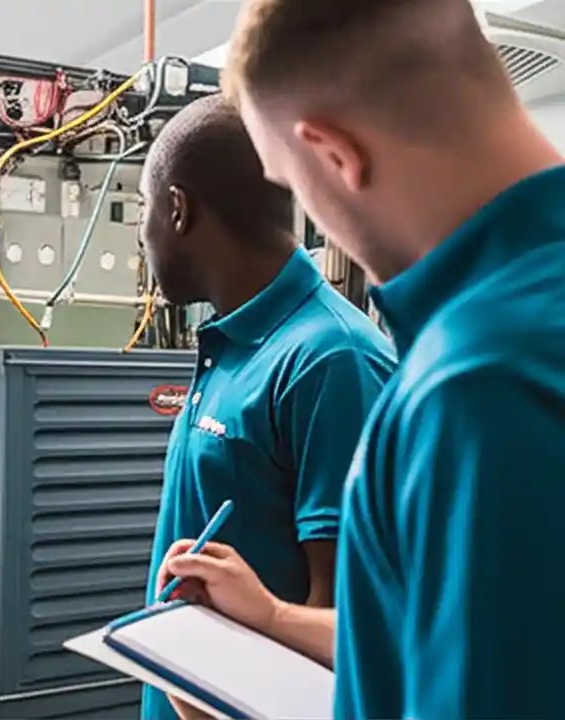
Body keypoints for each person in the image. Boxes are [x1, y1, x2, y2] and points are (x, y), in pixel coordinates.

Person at [154, 0, 565, 718]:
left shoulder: (478, 380)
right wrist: (274, 622)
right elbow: (436, 636)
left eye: (292, 185)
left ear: (336, 155)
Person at [135, 94, 395, 720]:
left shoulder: (332, 360)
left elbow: (347, 630)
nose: (142, 234)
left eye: (142, 209)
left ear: (176, 210)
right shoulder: (232, 343)